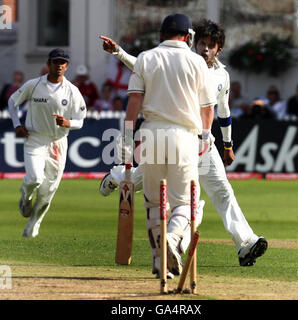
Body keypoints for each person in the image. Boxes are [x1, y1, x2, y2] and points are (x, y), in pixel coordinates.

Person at [99, 19, 267, 273]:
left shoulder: (222, 75)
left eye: (211, 46)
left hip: (203, 144)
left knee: (221, 191)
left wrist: (228, 144)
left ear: (219, 49)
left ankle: (245, 243)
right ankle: (116, 177)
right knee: (144, 185)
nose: (205, 49)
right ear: (193, 41)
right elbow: (142, 66)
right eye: (201, 43)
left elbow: (223, 111)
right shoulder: (182, 60)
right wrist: (119, 53)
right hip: (181, 138)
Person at [105, 13, 216, 277]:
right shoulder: (197, 62)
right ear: (188, 37)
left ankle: (160, 262)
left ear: (162, 34)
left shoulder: (146, 58)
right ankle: (174, 238)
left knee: (154, 203)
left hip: (151, 134)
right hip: (184, 137)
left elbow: (133, 102)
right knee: (185, 204)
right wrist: (205, 136)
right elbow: (208, 107)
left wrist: (126, 137)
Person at [8, 48, 87, 238]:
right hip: (35, 138)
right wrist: (17, 124)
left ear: (66, 66)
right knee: (35, 178)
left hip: (58, 142)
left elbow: (80, 120)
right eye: (56, 62)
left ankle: (32, 227)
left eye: (63, 63)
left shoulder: (72, 91)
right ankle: (25, 197)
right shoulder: (34, 85)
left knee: (48, 190)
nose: (59, 66)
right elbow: (12, 101)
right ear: (48, 64)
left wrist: (68, 123)